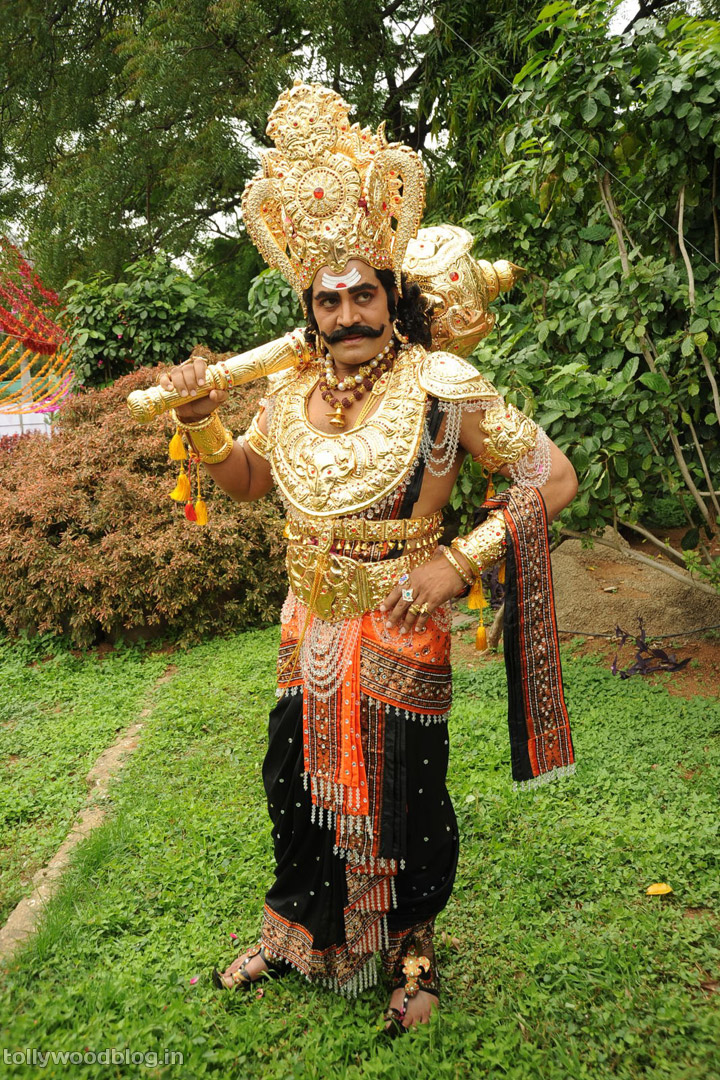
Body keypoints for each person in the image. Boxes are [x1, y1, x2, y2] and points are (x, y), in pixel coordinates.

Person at [157, 81, 578, 1034]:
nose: (345, 310)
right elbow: (255, 482)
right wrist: (201, 423)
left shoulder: (446, 382)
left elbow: (552, 479)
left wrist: (461, 563)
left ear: (391, 294)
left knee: (402, 789)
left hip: (400, 614)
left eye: (361, 291)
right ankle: (295, 929)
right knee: (293, 779)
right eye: (326, 296)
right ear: (308, 305)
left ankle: (413, 950)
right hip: (306, 618)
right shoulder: (288, 385)